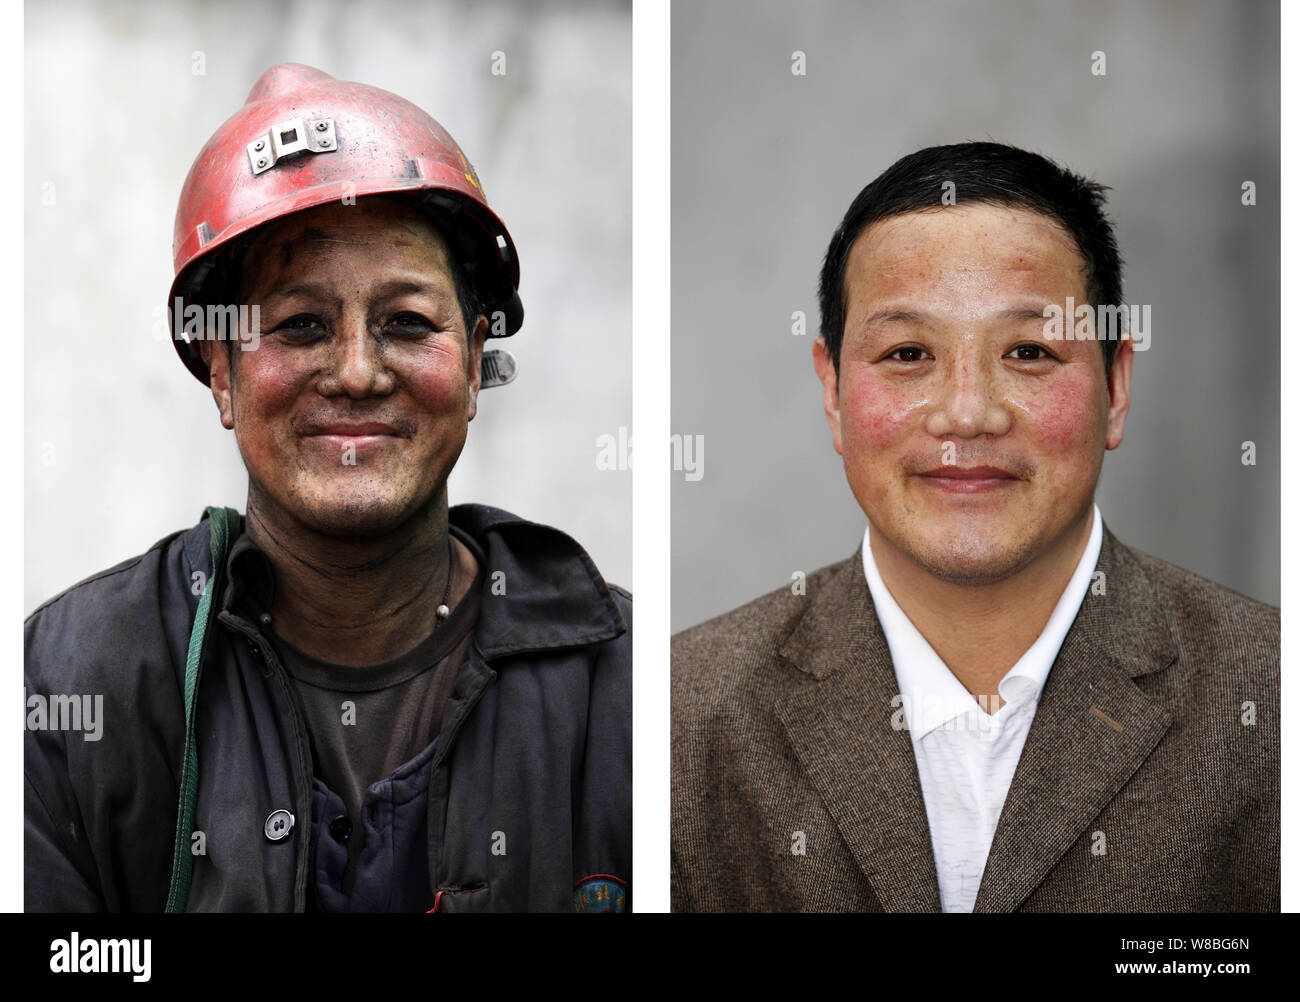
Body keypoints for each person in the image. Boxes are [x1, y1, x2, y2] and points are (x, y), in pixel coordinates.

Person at [25, 63, 631, 913]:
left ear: (471, 368)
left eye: (408, 324)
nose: (356, 373)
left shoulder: (622, 684)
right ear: (222, 374)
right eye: (300, 325)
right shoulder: (69, 683)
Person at [671, 141, 1277, 912]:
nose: (967, 414)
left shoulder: (1270, 702)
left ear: (1116, 384)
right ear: (831, 390)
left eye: (1028, 351)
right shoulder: (679, 716)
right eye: (907, 352)